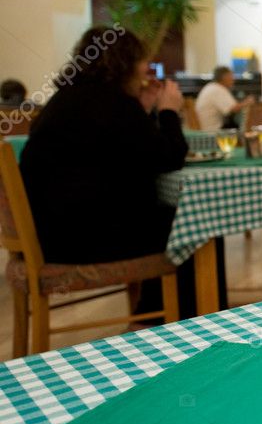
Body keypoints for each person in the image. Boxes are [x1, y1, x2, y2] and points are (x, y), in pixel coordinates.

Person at [19, 27, 191, 315]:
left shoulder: (66, 99)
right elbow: (169, 157)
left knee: (166, 217)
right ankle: (184, 321)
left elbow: (123, 155)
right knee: (191, 223)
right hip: (83, 242)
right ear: (124, 63)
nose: (146, 69)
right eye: (141, 61)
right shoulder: (114, 103)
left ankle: (150, 315)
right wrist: (169, 111)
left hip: (49, 236)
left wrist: (142, 110)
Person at [195, 66, 253, 131]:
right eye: (231, 76)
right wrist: (247, 102)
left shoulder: (211, 86)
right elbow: (233, 109)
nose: (233, 79)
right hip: (211, 131)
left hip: (204, 129)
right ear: (224, 77)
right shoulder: (218, 89)